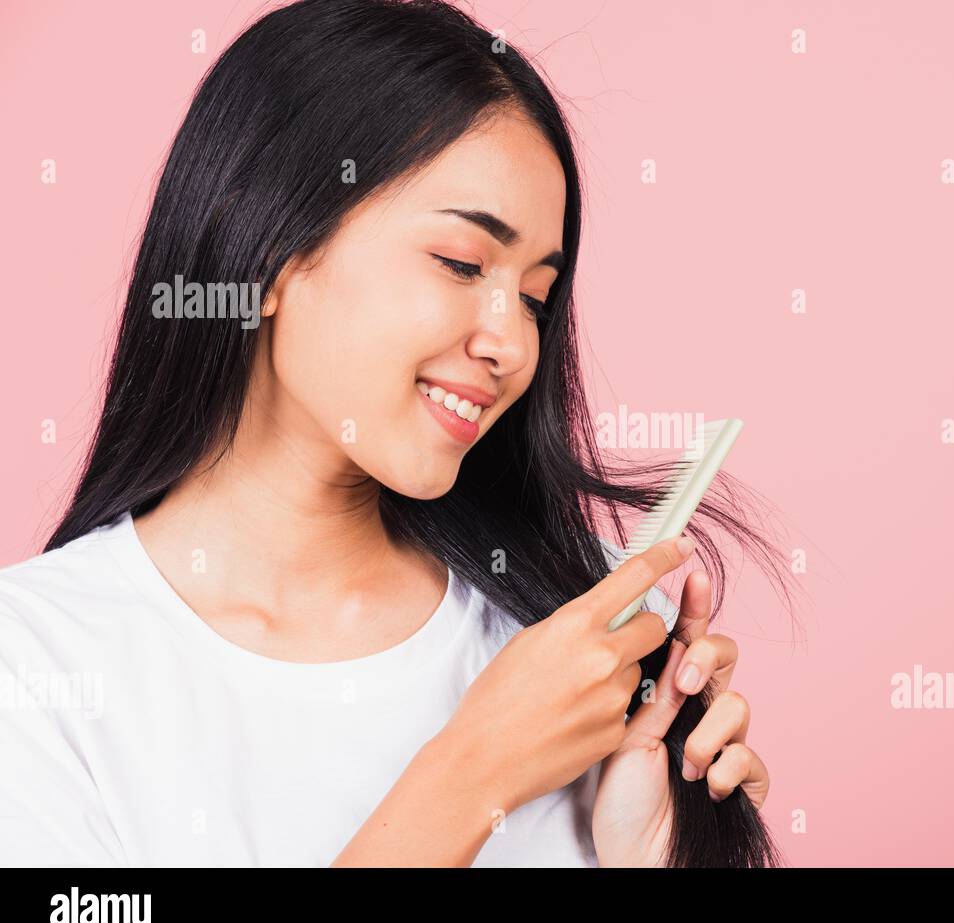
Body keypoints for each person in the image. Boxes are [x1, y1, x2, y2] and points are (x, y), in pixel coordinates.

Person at [0, 0, 787, 868]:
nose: (512, 342)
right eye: (460, 263)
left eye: (534, 296)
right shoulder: (36, 667)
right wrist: (473, 774)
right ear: (264, 250)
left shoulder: (580, 647)